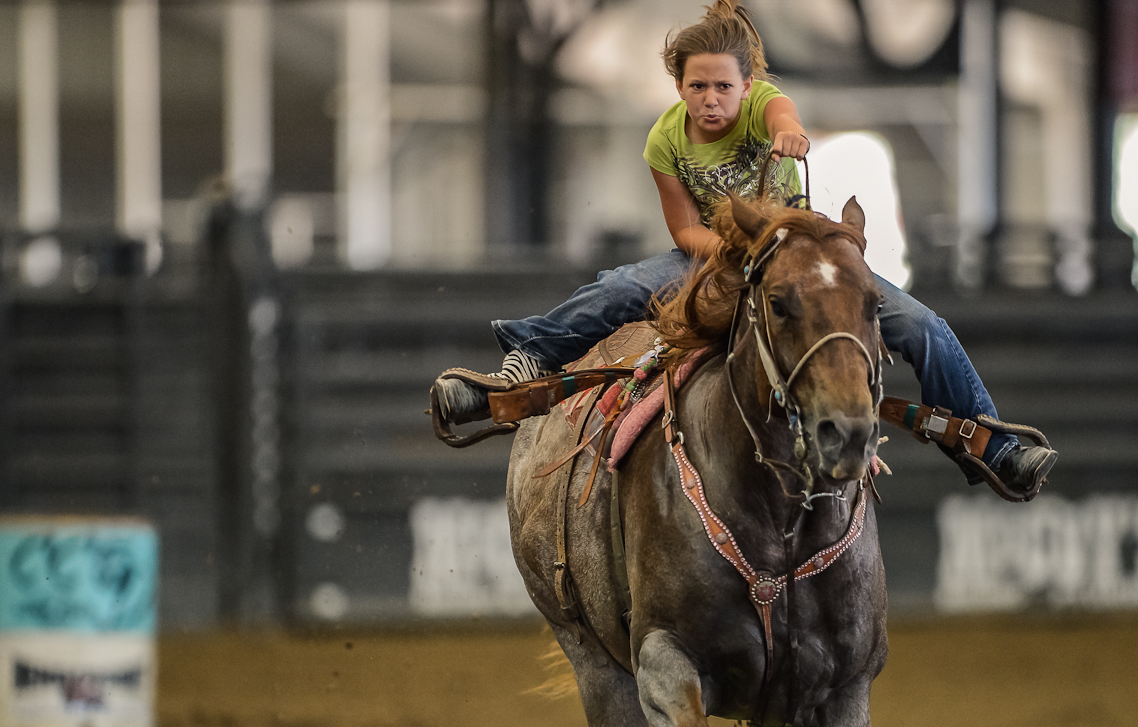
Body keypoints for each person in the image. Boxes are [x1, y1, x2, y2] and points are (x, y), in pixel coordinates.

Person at [434, 0, 1056, 491]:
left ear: (747, 84)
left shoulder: (766, 105)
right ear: (679, 86)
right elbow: (682, 230)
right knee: (617, 289)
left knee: (923, 326)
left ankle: (992, 447)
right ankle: (520, 367)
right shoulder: (664, 141)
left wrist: (790, 136)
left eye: (723, 87)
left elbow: (786, 117)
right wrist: (732, 253)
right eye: (697, 86)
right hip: (709, 257)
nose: (711, 99)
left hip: (793, 254)